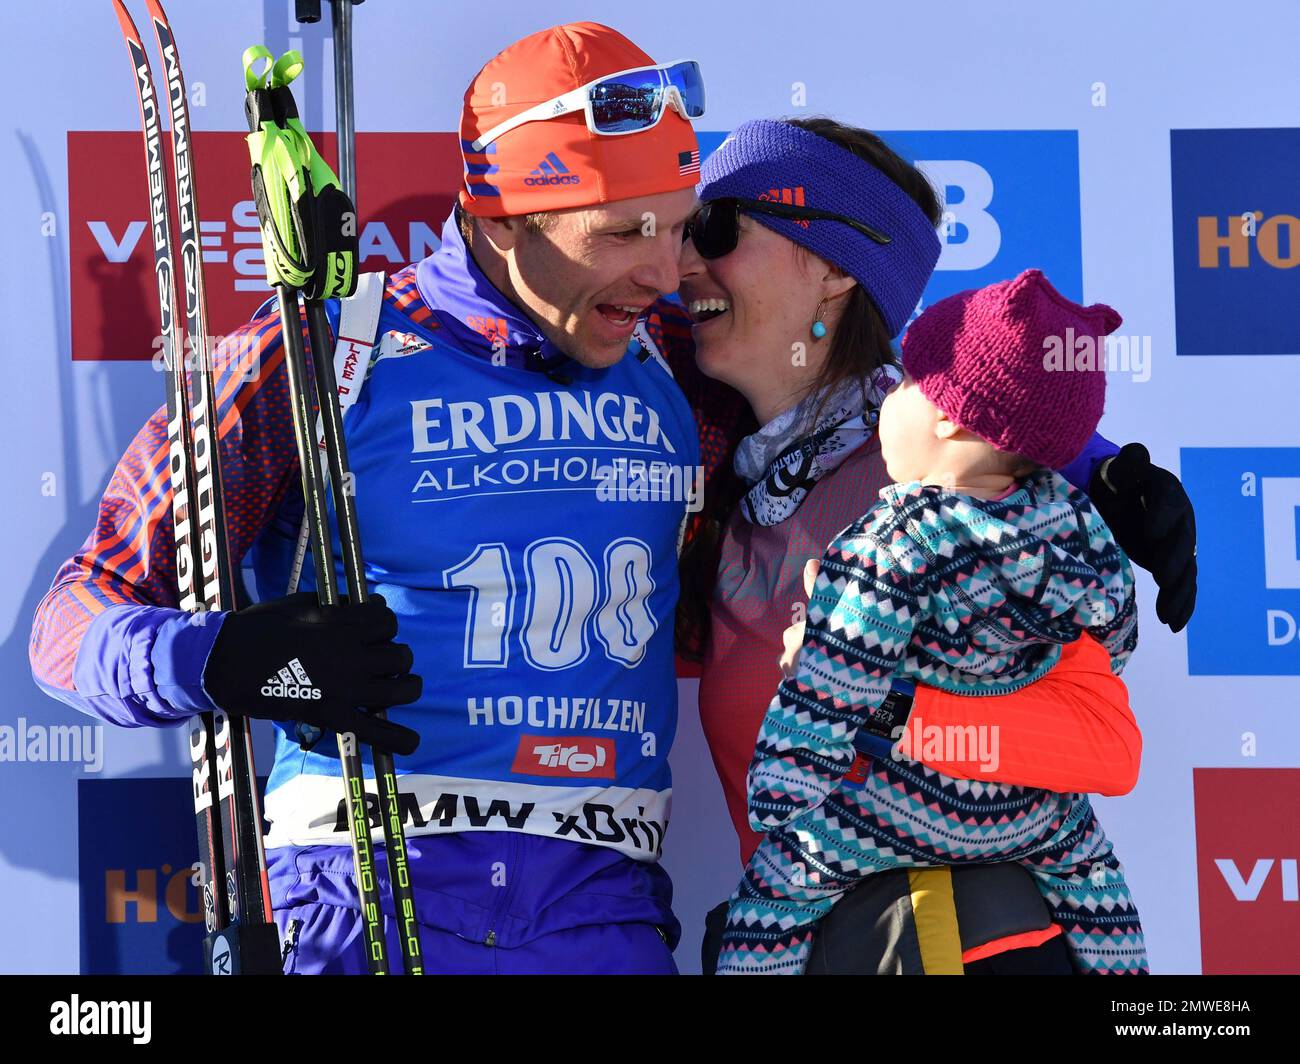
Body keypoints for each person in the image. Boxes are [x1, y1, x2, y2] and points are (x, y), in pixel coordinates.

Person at [30, 22, 706, 975]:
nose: (667, 271)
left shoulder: (671, 356)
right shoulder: (330, 350)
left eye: (681, 227)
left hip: (601, 907)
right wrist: (229, 657)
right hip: (364, 891)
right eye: (624, 233)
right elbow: (71, 621)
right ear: (506, 217)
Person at [675, 118, 1194, 973]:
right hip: (826, 944)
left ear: (836, 269)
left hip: (958, 939)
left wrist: (895, 713)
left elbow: (1085, 732)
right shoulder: (734, 480)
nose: (684, 260)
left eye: (718, 227)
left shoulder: (943, 497)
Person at [715, 268, 1147, 975]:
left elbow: (833, 680)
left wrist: (786, 784)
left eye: (905, 382)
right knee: (1097, 889)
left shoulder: (896, 533)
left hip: (901, 805)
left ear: (946, 414)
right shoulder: (1076, 525)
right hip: (1033, 814)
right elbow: (1112, 639)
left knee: (777, 892)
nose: (889, 398)